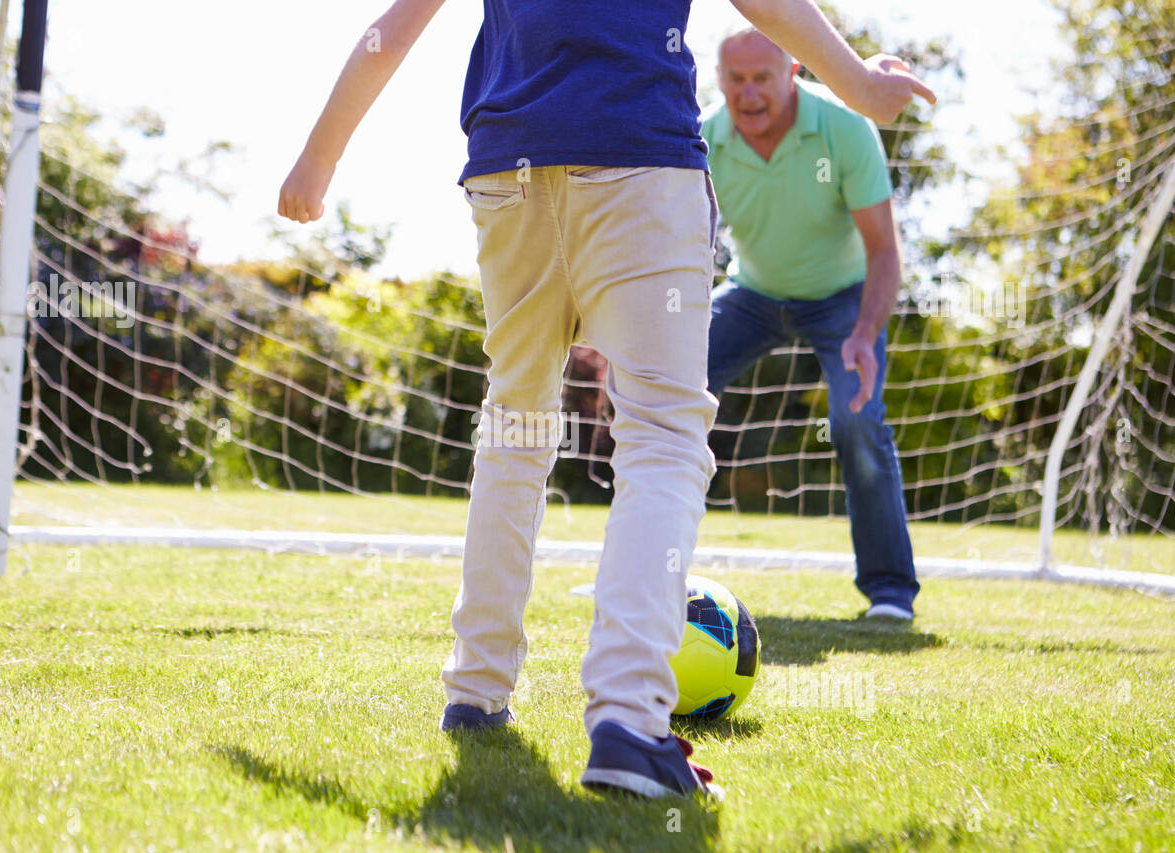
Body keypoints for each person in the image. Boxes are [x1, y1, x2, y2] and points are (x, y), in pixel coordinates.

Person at [278, 0, 935, 799]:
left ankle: (475, 693)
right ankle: (628, 721)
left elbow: (394, 30)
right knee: (661, 438)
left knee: (515, 428)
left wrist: (319, 158)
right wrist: (861, 81)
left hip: (507, 168)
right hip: (638, 163)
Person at [704, 28, 921, 620]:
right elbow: (676, 243)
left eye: (762, 78)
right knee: (659, 395)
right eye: (736, 80)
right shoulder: (702, 139)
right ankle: (639, 573)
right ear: (719, 80)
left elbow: (884, 252)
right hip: (752, 291)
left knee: (855, 417)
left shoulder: (846, 127)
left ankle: (890, 592)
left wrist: (862, 331)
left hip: (842, 299)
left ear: (793, 70)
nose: (748, 94)